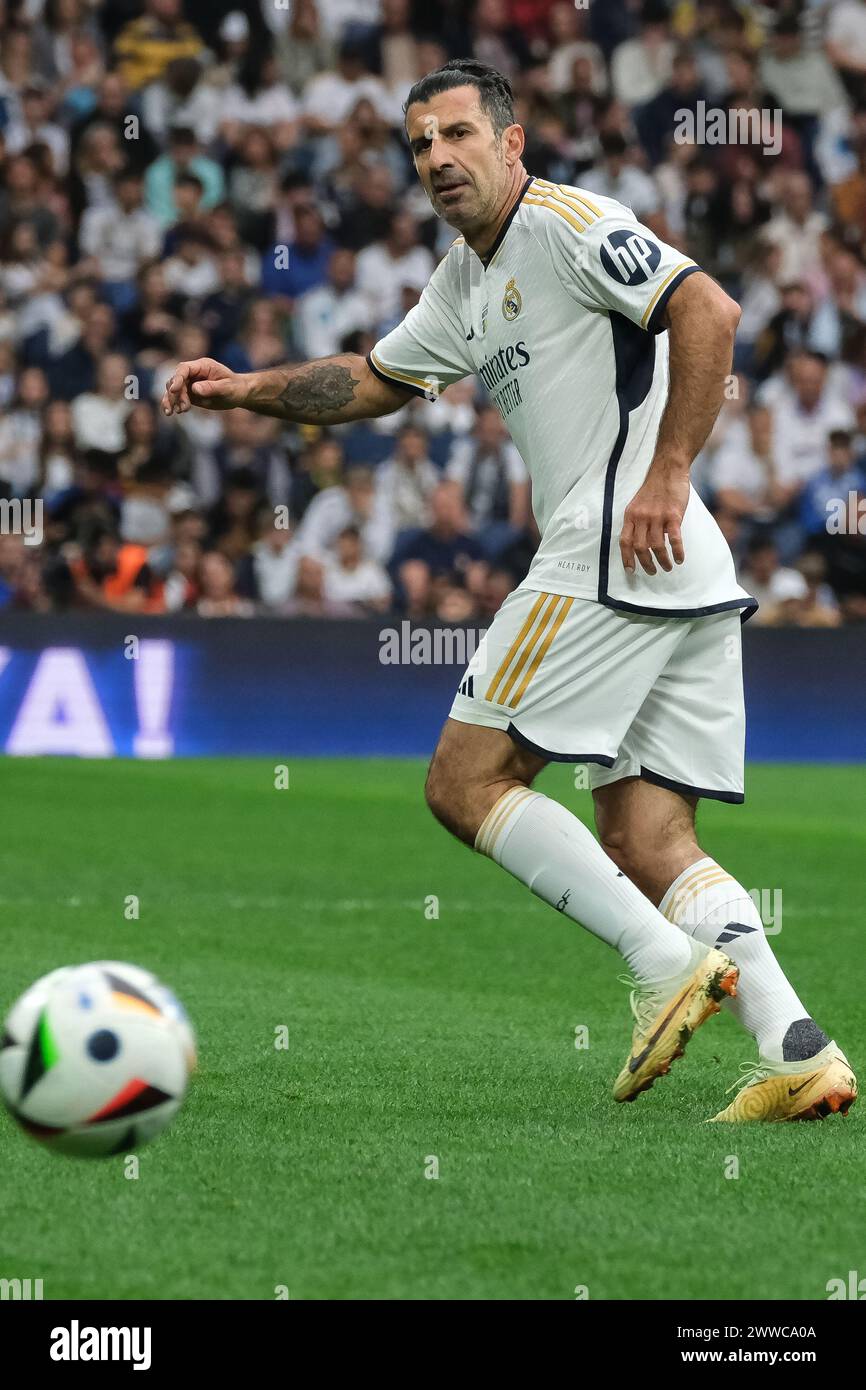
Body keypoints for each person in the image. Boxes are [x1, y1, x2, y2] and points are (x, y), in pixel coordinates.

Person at [162, 59, 856, 1124]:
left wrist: (666, 471)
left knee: (463, 780)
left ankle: (660, 960)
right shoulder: (461, 279)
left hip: (616, 536)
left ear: (510, 141)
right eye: (418, 145)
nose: (436, 157)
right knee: (648, 837)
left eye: (455, 134)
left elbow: (705, 311)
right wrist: (241, 387)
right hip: (673, 567)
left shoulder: (569, 224)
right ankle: (798, 1049)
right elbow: (373, 380)